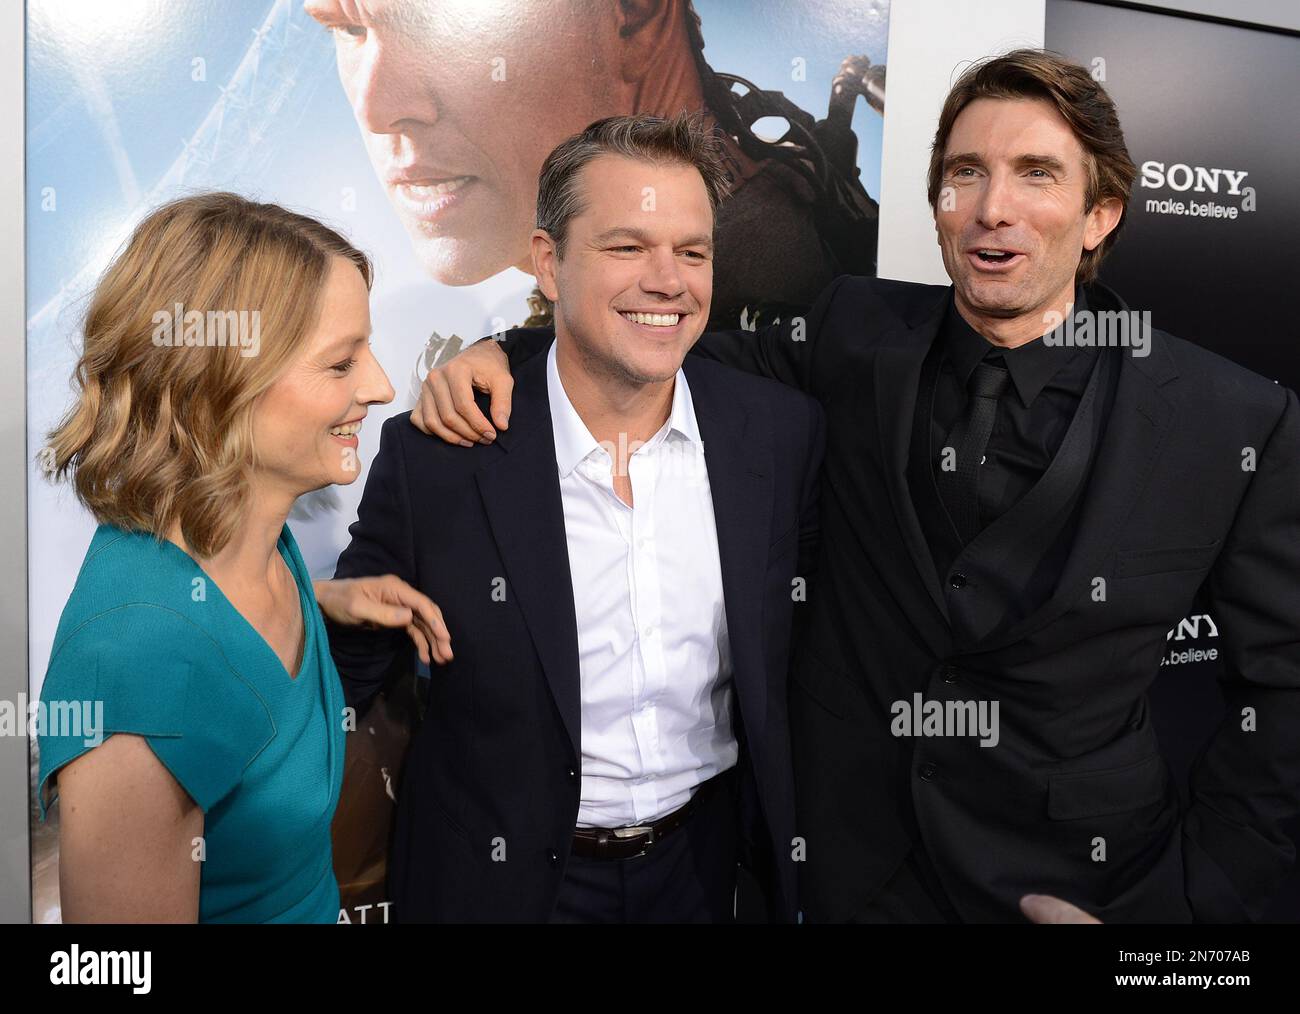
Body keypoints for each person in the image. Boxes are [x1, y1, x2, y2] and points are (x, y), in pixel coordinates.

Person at [415, 50, 1300, 923]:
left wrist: (1188, 908)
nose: (994, 209)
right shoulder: (851, 328)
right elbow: (665, 351)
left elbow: (1285, 692)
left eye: (1037, 175)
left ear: (1100, 212)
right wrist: (515, 350)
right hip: (842, 869)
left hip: (1078, 885)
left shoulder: (1231, 420)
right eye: (966, 173)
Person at [324, 113, 824, 922]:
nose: (669, 280)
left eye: (692, 252)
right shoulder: (441, 459)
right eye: (627, 247)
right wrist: (289, 603)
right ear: (548, 262)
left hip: (708, 876)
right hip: (499, 885)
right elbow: (343, 679)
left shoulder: (776, 435)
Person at [37, 192, 444, 922]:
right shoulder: (137, 677)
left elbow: (219, 650)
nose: (381, 388)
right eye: (341, 363)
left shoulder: (255, 541)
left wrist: (326, 599)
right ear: (219, 384)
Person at [303, 0, 879, 330]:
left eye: (438, 25)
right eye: (350, 28)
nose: (376, 109)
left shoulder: (733, 279)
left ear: (635, 16)